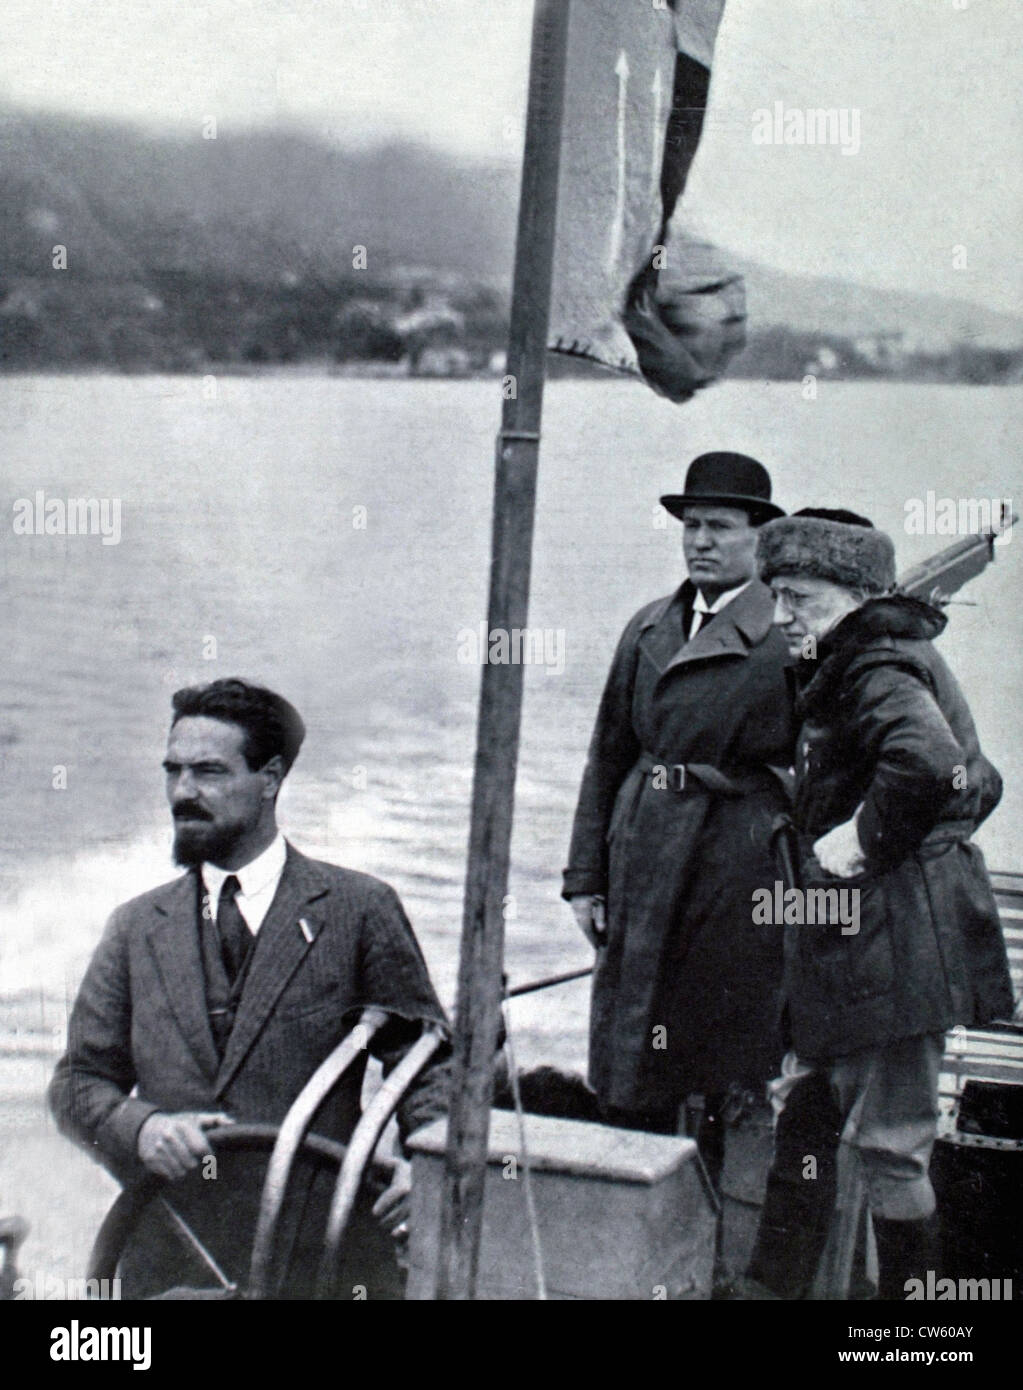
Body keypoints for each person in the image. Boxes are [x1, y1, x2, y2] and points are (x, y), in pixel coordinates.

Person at [50, 678, 450, 1298]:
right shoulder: (134, 928)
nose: (183, 793)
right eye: (173, 772)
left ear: (270, 779)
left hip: (323, 1262)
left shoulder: (360, 910)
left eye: (208, 773)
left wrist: (431, 1165)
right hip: (171, 1261)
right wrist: (142, 1127)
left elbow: (428, 1065)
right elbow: (76, 1085)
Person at [747, 510, 1014, 1299]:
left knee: (892, 1146)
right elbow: (982, 778)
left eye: (798, 597)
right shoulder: (862, 655)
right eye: (777, 596)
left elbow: (931, 764)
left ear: (855, 595)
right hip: (855, 938)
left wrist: (861, 841)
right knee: (804, 1111)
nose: (782, 615)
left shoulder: (877, 666)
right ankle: (774, 1289)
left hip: (893, 943)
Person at [562, 452, 794, 1186]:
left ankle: (720, 1220)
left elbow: (823, 769)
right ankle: (634, 1199)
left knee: (726, 1040)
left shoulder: (788, 635)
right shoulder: (648, 628)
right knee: (634, 1033)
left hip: (736, 857)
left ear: (760, 538)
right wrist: (584, 878)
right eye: (690, 526)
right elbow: (605, 754)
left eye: (720, 528)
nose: (699, 541)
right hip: (641, 851)